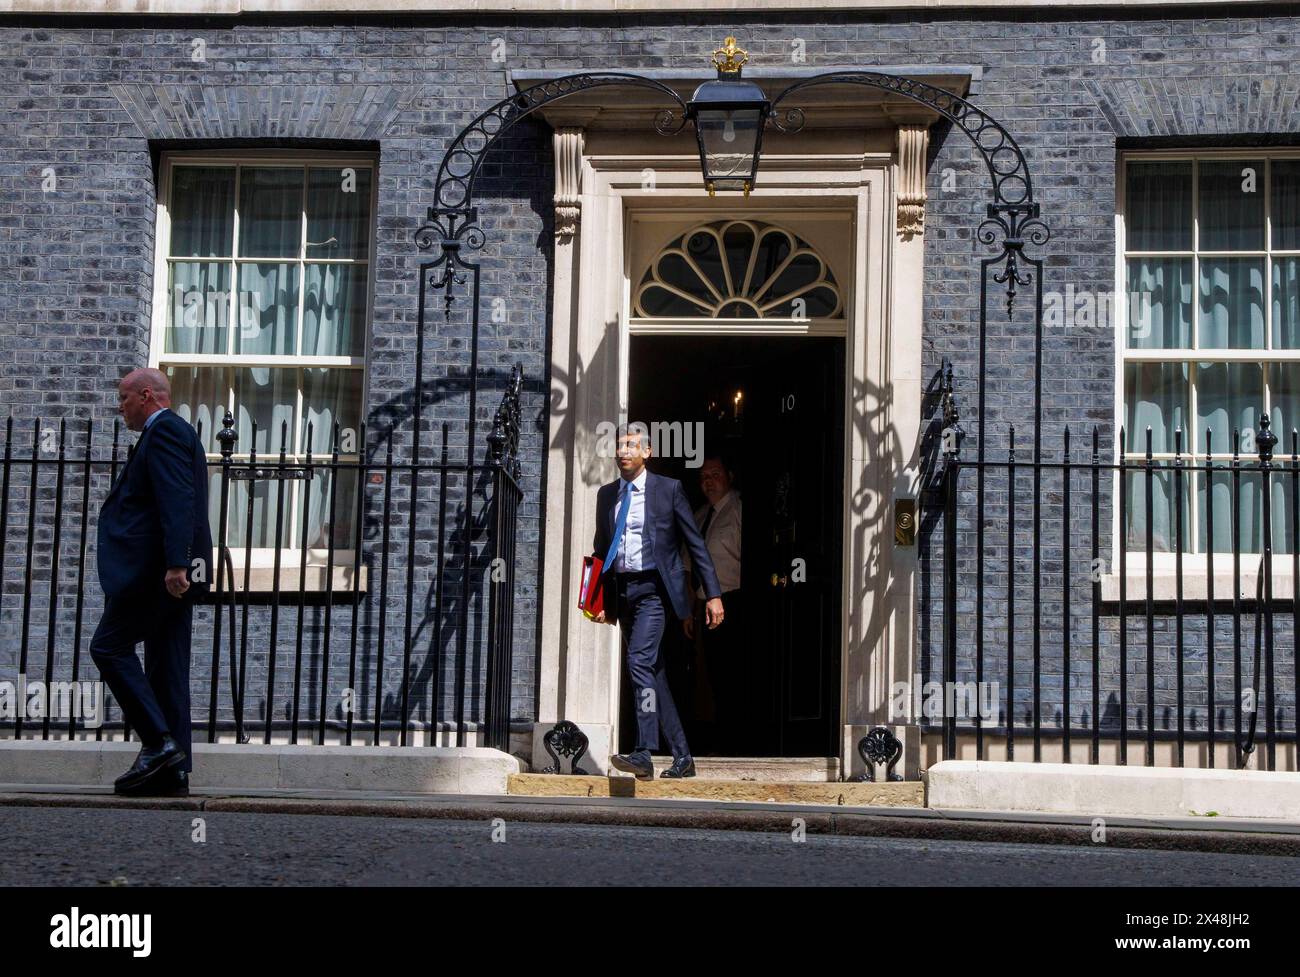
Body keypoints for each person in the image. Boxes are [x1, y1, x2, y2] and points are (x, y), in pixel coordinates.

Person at [90, 367, 212, 796]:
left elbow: (177, 498)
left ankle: (159, 744)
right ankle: (173, 771)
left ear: (146, 396)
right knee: (167, 667)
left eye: (123, 399)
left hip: (158, 574)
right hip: (171, 573)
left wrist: (176, 563)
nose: (119, 408)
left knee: (108, 646)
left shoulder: (164, 432)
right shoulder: (177, 433)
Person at [593, 424, 724, 779]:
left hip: (654, 591)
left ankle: (644, 751)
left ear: (647, 452)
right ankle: (683, 758)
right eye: (619, 446)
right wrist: (598, 598)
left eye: (631, 446)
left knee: (638, 660)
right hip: (622, 593)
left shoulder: (668, 490)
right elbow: (601, 551)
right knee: (654, 672)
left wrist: (712, 593)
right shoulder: (607, 495)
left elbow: (695, 544)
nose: (623, 452)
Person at [683, 455, 742, 755]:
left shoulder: (740, 508)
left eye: (715, 474)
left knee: (731, 676)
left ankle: (735, 740)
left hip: (733, 600)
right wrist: (688, 608)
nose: (708, 481)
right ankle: (717, 740)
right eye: (704, 476)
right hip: (703, 605)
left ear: (729, 476)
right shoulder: (699, 515)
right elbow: (687, 566)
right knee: (711, 677)